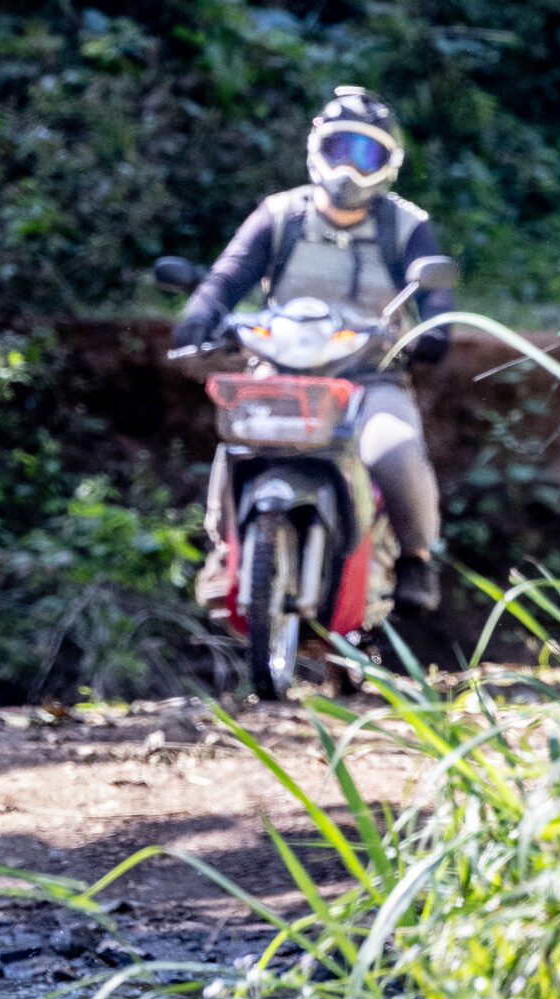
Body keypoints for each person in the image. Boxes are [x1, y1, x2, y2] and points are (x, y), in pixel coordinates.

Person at [169, 86, 455, 612]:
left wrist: (435, 327)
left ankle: (416, 557)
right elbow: (225, 278)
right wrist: (199, 317)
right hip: (280, 373)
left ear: (388, 165)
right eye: (338, 149)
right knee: (238, 438)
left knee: (393, 447)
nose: (349, 168)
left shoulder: (406, 225)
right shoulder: (280, 215)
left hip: (370, 377)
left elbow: (434, 294)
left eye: (366, 154)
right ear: (315, 152)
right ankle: (223, 553)